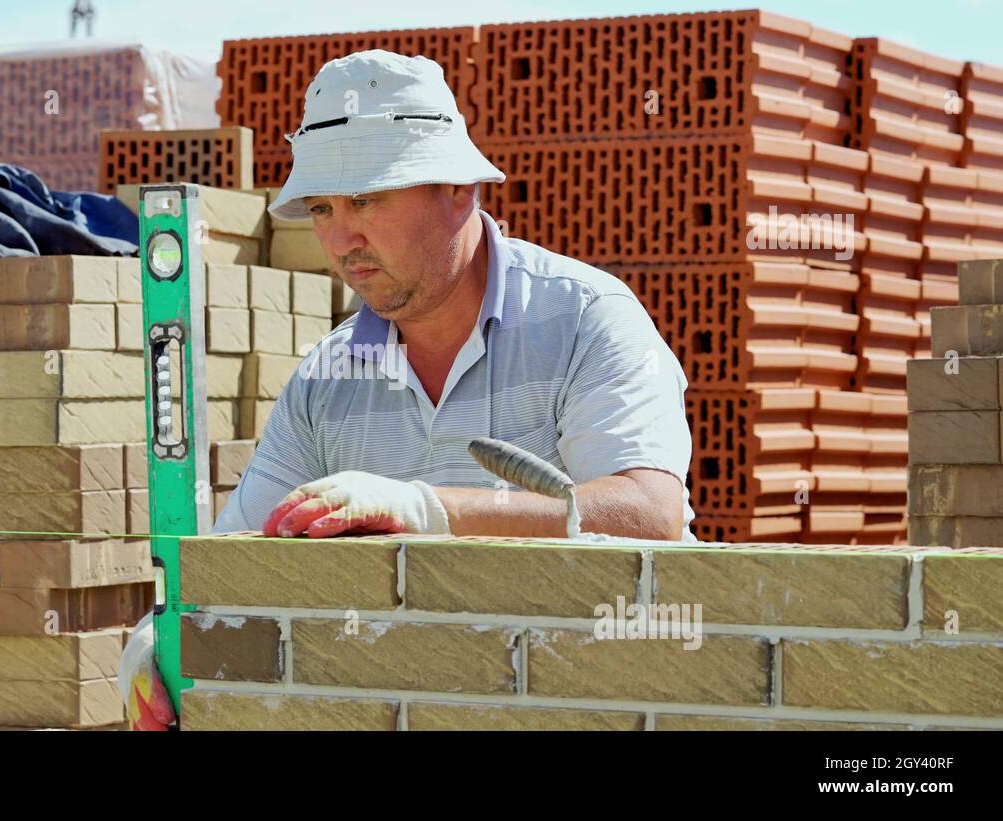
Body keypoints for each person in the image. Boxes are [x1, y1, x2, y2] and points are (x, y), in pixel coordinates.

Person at [123, 49, 695, 730]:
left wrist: (426, 510)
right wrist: (164, 630)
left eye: (366, 198)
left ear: (458, 188)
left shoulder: (585, 321)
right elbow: (237, 555)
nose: (341, 239)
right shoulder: (327, 379)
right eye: (323, 208)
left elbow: (649, 510)